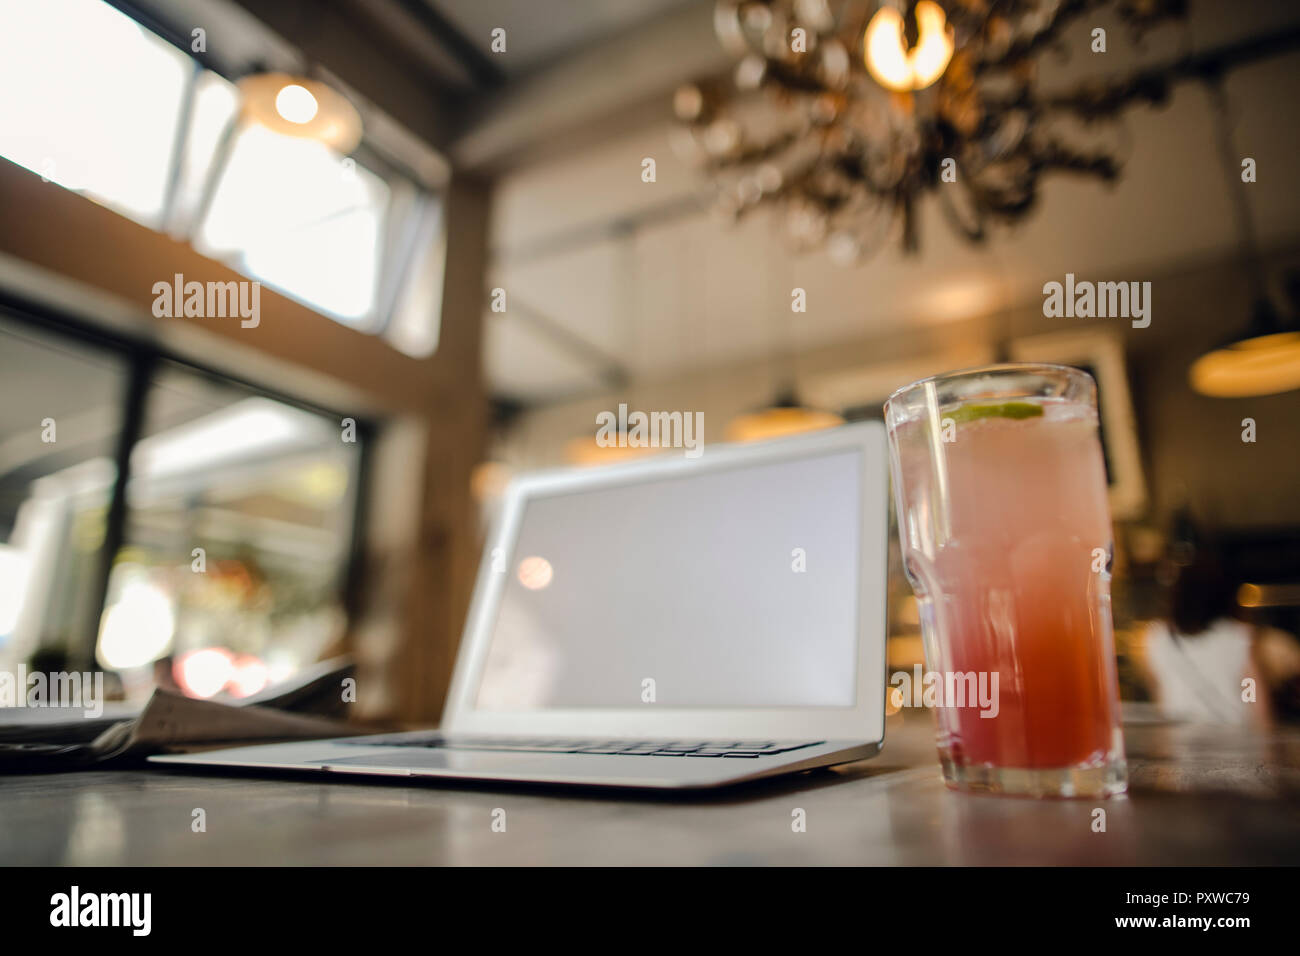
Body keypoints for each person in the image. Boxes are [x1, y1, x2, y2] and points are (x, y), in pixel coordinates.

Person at [1143, 552, 1300, 726]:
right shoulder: (1241, 637)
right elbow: (1252, 693)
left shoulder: (1157, 637)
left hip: (1181, 741)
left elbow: (1160, 695)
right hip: (1232, 741)